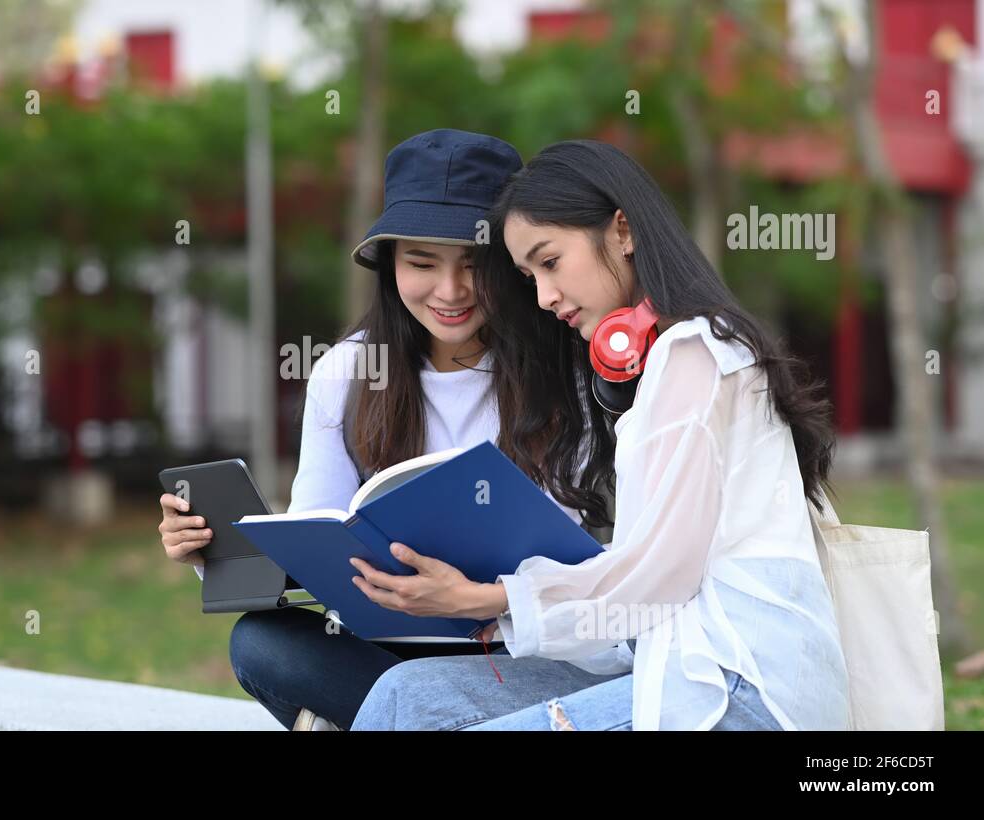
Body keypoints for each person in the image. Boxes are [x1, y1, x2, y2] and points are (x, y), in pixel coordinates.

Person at [349, 140, 849, 731]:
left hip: (735, 685)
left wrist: (491, 598)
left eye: (551, 261)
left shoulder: (694, 354)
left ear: (622, 230)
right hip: (668, 661)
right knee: (407, 695)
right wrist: (515, 613)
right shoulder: (668, 359)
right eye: (528, 275)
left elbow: (659, 575)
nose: (544, 296)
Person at [158, 130, 586, 730]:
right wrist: (214, 550)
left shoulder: (568, 370)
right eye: (421, 263)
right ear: (388, 267)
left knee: (411, 693)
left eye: (475, 265)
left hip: (522, 649)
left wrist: (482, 595)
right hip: (387, 645)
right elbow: (320, 530)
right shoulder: (348, 371)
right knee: (262, 643)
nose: (451, 291)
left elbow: (590, 563)